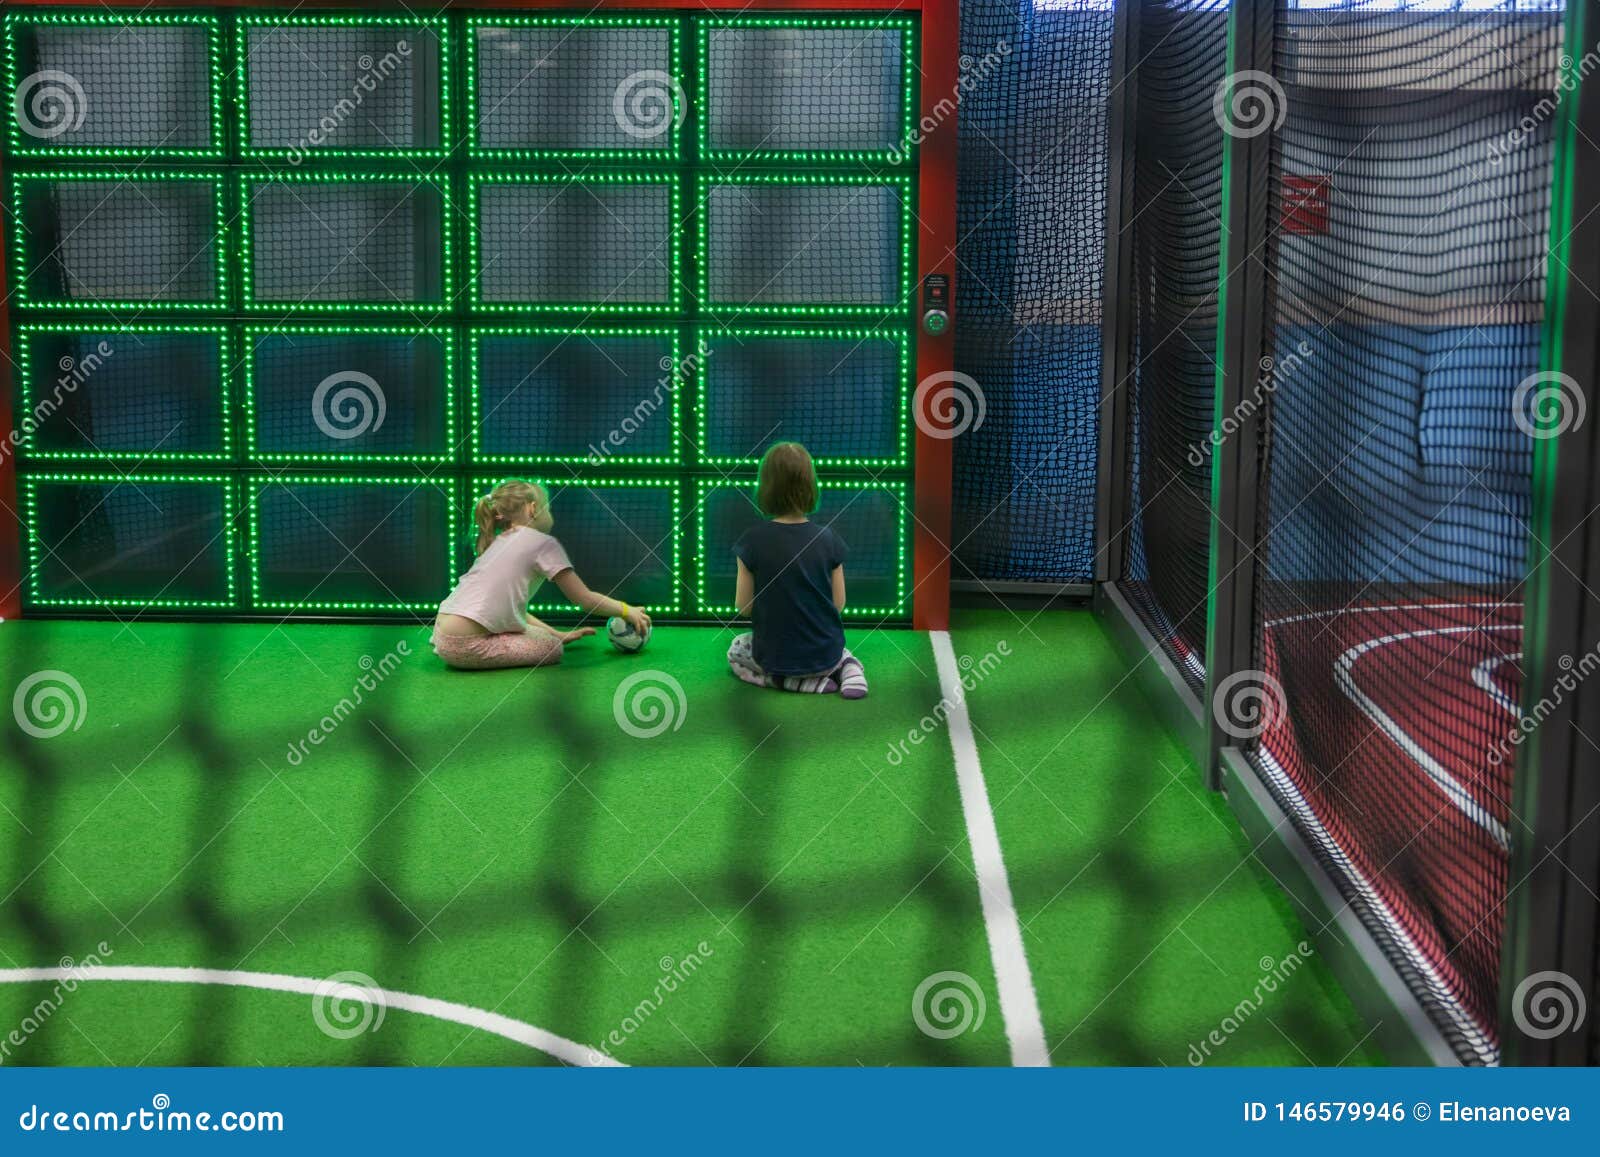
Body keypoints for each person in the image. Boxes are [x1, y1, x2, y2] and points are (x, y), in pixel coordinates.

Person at [432, 479, 650, 670]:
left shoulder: (499, 543)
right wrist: (625, 609)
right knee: (550, 648)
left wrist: (557, 633)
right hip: (465, 646)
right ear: (533, 509)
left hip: (441, 634)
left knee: (549, 638)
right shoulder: (543, 544)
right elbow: (583, 599)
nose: (550, 514)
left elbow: (510, 611)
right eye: (548, 508)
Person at [728, 442, 867, 699]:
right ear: (811, 487)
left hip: (776, 656)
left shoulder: (750, 541)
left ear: (765, 488)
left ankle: (790, 682)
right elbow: (838, 604)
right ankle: (848, 670)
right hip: (825, 654)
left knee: (737, 649)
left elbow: (744, 606)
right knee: (841, 651)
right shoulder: (829, 539)